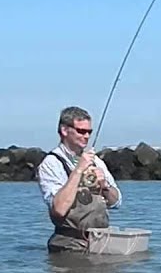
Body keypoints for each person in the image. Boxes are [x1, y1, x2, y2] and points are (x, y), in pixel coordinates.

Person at [36, 106, 122, 253]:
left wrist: (105, 187)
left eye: (89, 132)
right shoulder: (51, 164)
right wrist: (78, 170)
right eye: (81, 131)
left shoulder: (96, 161)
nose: (87, 136)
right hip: (68, 245)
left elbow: (117, 203)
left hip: (100, 243)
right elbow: (59, 209)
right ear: (64, 130)